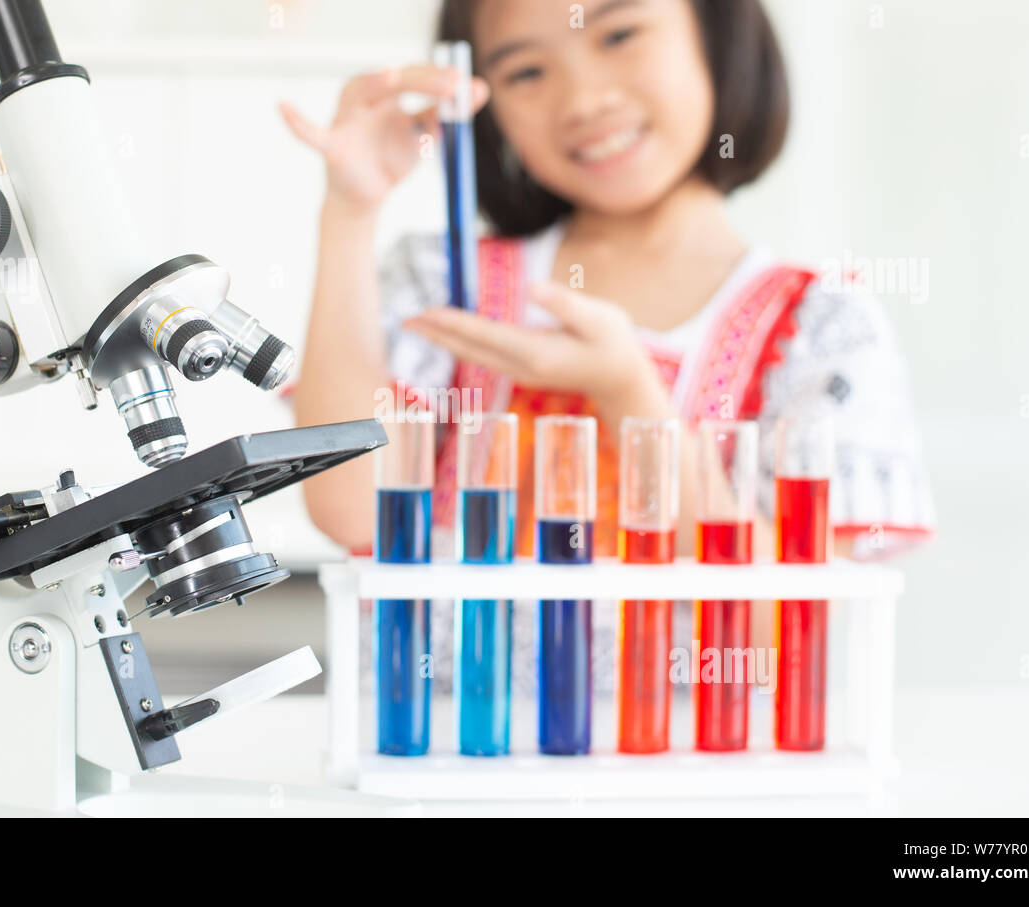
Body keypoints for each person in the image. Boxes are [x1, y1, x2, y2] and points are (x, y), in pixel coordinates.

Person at [280, 0, 935, 683]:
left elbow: (803, 621)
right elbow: (350, 507)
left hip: (694, 767)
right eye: (527, 71)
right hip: (440, 751)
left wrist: (626, 391)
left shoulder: (822, 325)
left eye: (619, 34)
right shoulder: (441, 278)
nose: (584, 99)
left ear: (717, 36)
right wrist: (351, 210)